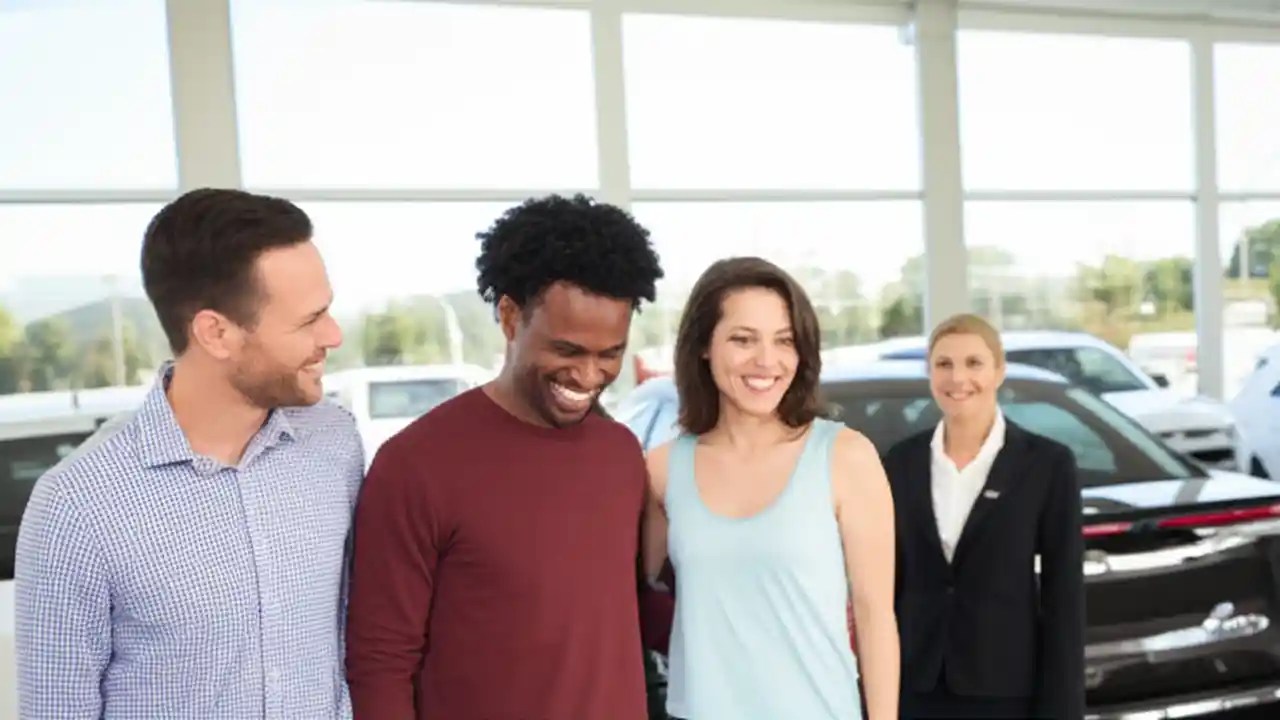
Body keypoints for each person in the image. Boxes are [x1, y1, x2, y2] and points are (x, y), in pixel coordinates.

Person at [14, 188, 364, 718]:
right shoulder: (77, 503)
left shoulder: (334, 442)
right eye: (307, 320)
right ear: (215, 333)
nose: (332, 335)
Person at [344, 194, 665, 719]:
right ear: (511, 317)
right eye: (567, 351)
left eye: (609, 354)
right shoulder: (417, 464)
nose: (589, 376)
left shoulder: (620, 453)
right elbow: (380, 663)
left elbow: (621, 616)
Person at [641, 256, 899, 720]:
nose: (766, 360)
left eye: (784, 341)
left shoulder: (845, 457)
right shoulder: (662, 471)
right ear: (703, 345)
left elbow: (875, 616)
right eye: (743, 339)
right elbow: (624, 599)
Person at [884, 313, 1085, 719]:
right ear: (929, 373)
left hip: (1005, 690)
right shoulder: (901, 462)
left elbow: (1064, 598)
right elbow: (885, 586)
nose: (958, 378)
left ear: (999, 371)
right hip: (915, 687)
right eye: (944, 364)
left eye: (974, 363)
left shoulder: (1046, 464)